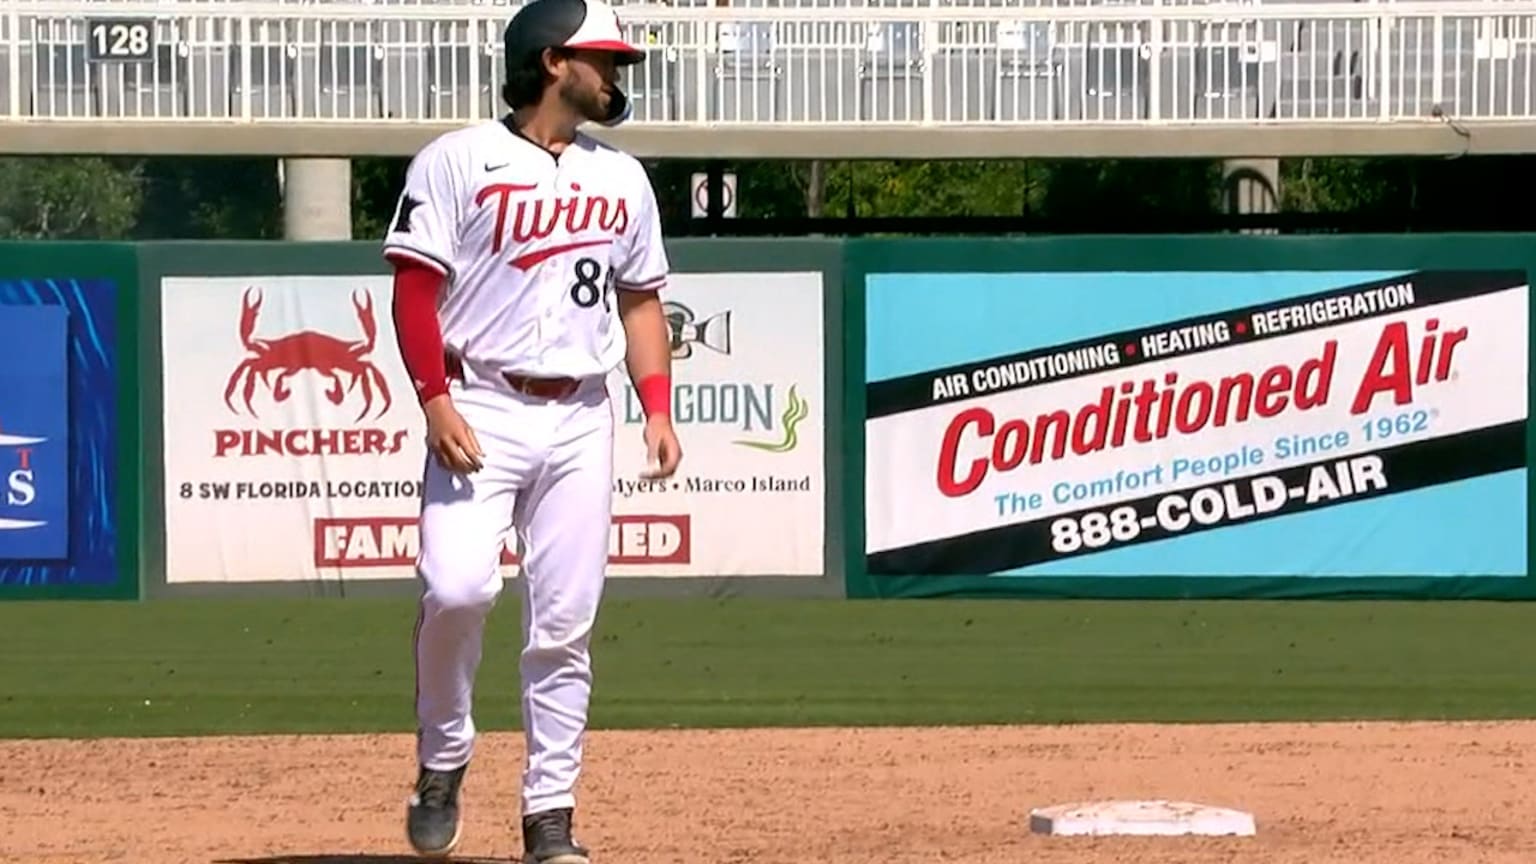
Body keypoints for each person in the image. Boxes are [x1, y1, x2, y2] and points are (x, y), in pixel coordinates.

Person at [379, 0, 681, 860]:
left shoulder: (620, 176)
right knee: (458, 589)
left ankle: (550, 817)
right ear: (553, 62)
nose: (615, 75)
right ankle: (443, 758)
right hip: (482, 402)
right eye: (603, 59)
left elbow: (641, 300)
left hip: (585, 414)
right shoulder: (459, 160)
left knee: (563, 625)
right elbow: (412, 288)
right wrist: (435, 399)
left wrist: (656, 404)